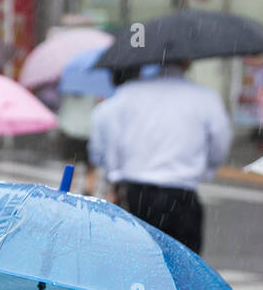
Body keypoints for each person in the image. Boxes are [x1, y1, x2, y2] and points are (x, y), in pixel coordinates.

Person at [87, 61, 232, 254]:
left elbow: (104, 127)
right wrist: (207, 169)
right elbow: (220, 142)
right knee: (184, 269)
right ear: (188, 62)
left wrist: (112, 172)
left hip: (136, 195)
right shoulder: (205, 97)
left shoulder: (128, 93)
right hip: (182, 197)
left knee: (135, 264)